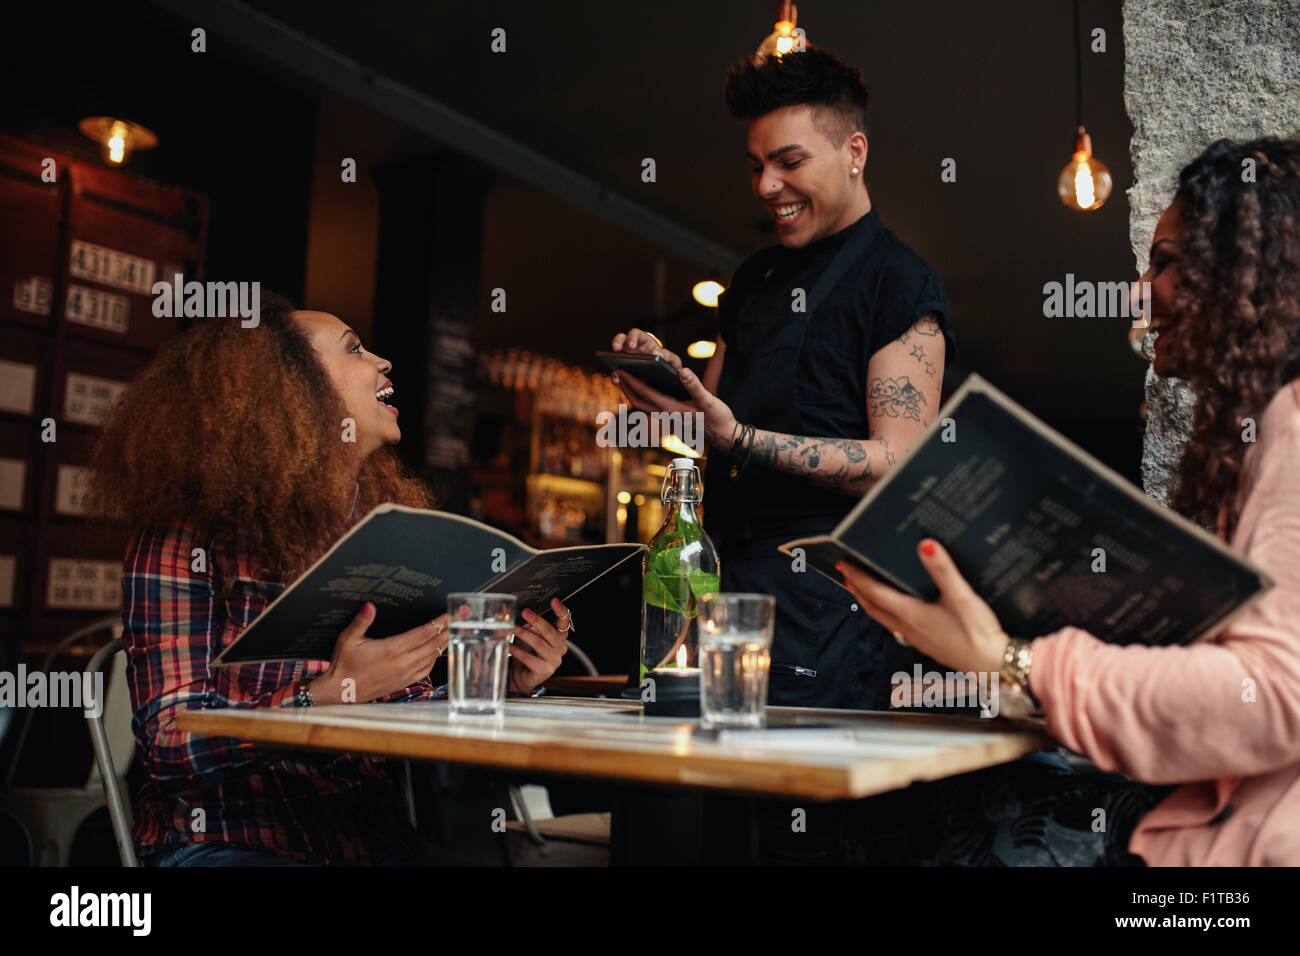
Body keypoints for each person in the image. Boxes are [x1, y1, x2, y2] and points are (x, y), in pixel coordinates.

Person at [838, 136, 1300, 865]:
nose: (1140, 291)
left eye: (1168, 263)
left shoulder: (1295, 427)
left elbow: (1273, 695)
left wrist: (1013, 661)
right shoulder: (1257, 432)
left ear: (1249, 273)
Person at [88, 295, 572, 866]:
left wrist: (505, 686)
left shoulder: (374, 530)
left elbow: (409, 711)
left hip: (369, 838)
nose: (383, 361)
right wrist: (327, 695)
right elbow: (171, 743)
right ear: (289, 389)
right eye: (354, 349)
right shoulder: (186, 532)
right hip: (225, 841)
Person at [611, 47, 955, 710]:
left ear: (854, 151)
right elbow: (711, 430)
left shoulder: (901, 282)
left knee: (796, 806)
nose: (766, 185)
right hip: (714, 589)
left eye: (789, 162)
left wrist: (738, 436)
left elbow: (898, 461)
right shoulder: (752, 280)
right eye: (756, 165)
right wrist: (666, 401)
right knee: (691, 795)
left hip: (828, 605)